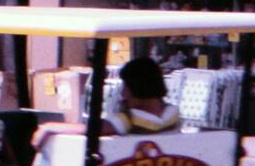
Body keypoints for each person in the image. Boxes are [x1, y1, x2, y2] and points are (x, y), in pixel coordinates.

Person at [32, 55, 180, 154]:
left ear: (137, 88)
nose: (123, 94)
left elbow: (95, 128)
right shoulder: (173, 114)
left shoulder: (130, 119)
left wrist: (50, 127)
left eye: (126, 88)